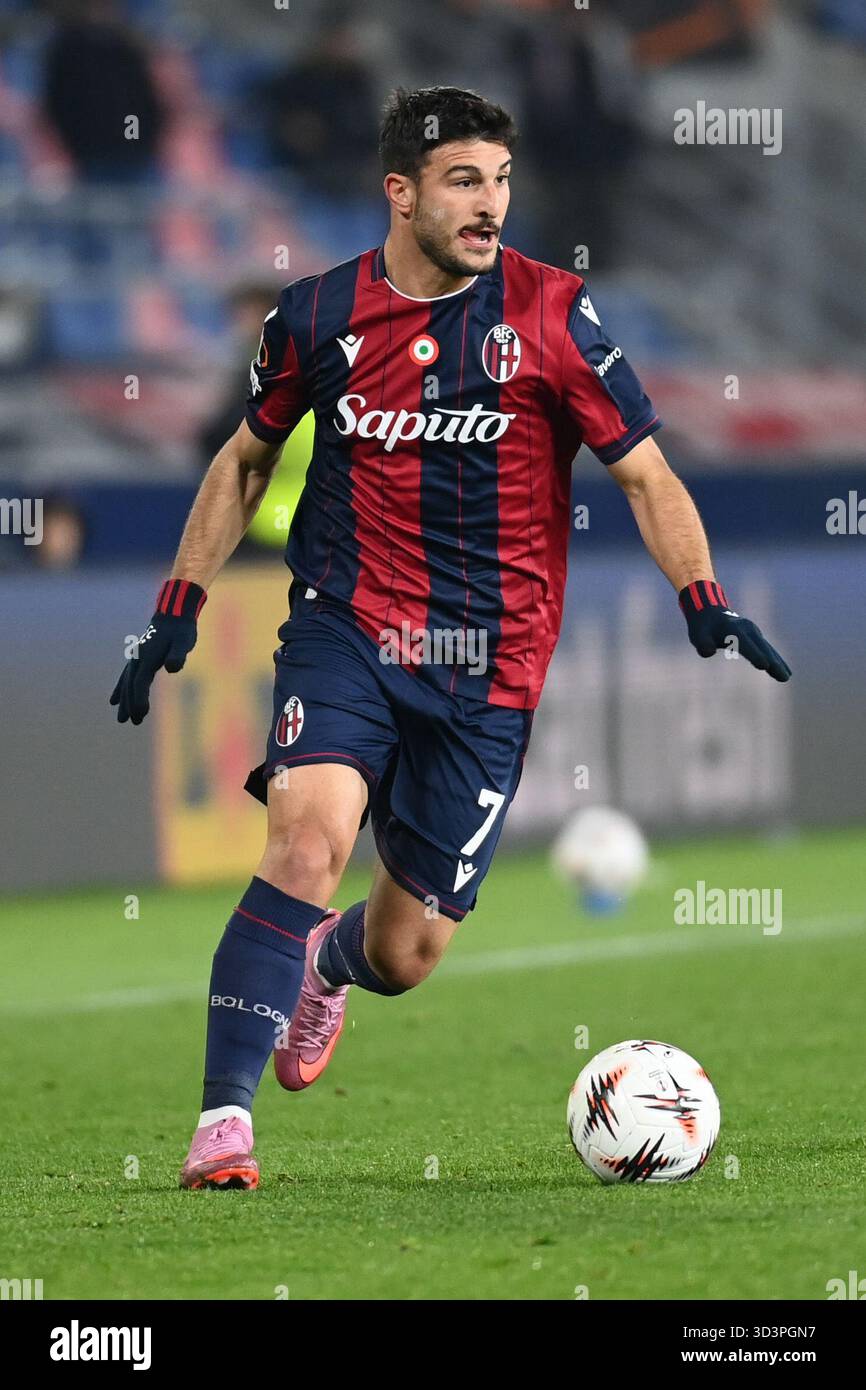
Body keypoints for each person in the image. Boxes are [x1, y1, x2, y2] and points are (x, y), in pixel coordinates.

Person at [109, 87, 790, 1191]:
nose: (490, 206)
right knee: (305, 838)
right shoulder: (317, 317)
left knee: (404, 952)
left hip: (491, 666)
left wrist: (699, 596)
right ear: (401, 192)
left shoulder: (555, 315)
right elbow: (242, 460)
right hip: (348, 629)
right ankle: (220, 1126)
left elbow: (644, 472)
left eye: (502, 182)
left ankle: (328, 962)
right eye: (464, 182)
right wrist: (177, 608)